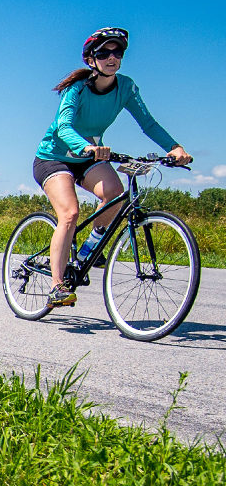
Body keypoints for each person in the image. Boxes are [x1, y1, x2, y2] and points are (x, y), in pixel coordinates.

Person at [33, 27, 192, 307]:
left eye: (118, 52)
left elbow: (149, 123)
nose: (112, 57)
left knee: (116, 193)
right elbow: (63, 126)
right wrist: (86, 147)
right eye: (104, 52)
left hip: (89, 159)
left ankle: (89, 250)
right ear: (91, 59)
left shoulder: (126, 87)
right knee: (70, 213)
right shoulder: (76, 89)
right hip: (54, 157)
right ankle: (58, 286)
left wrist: (174, 147)